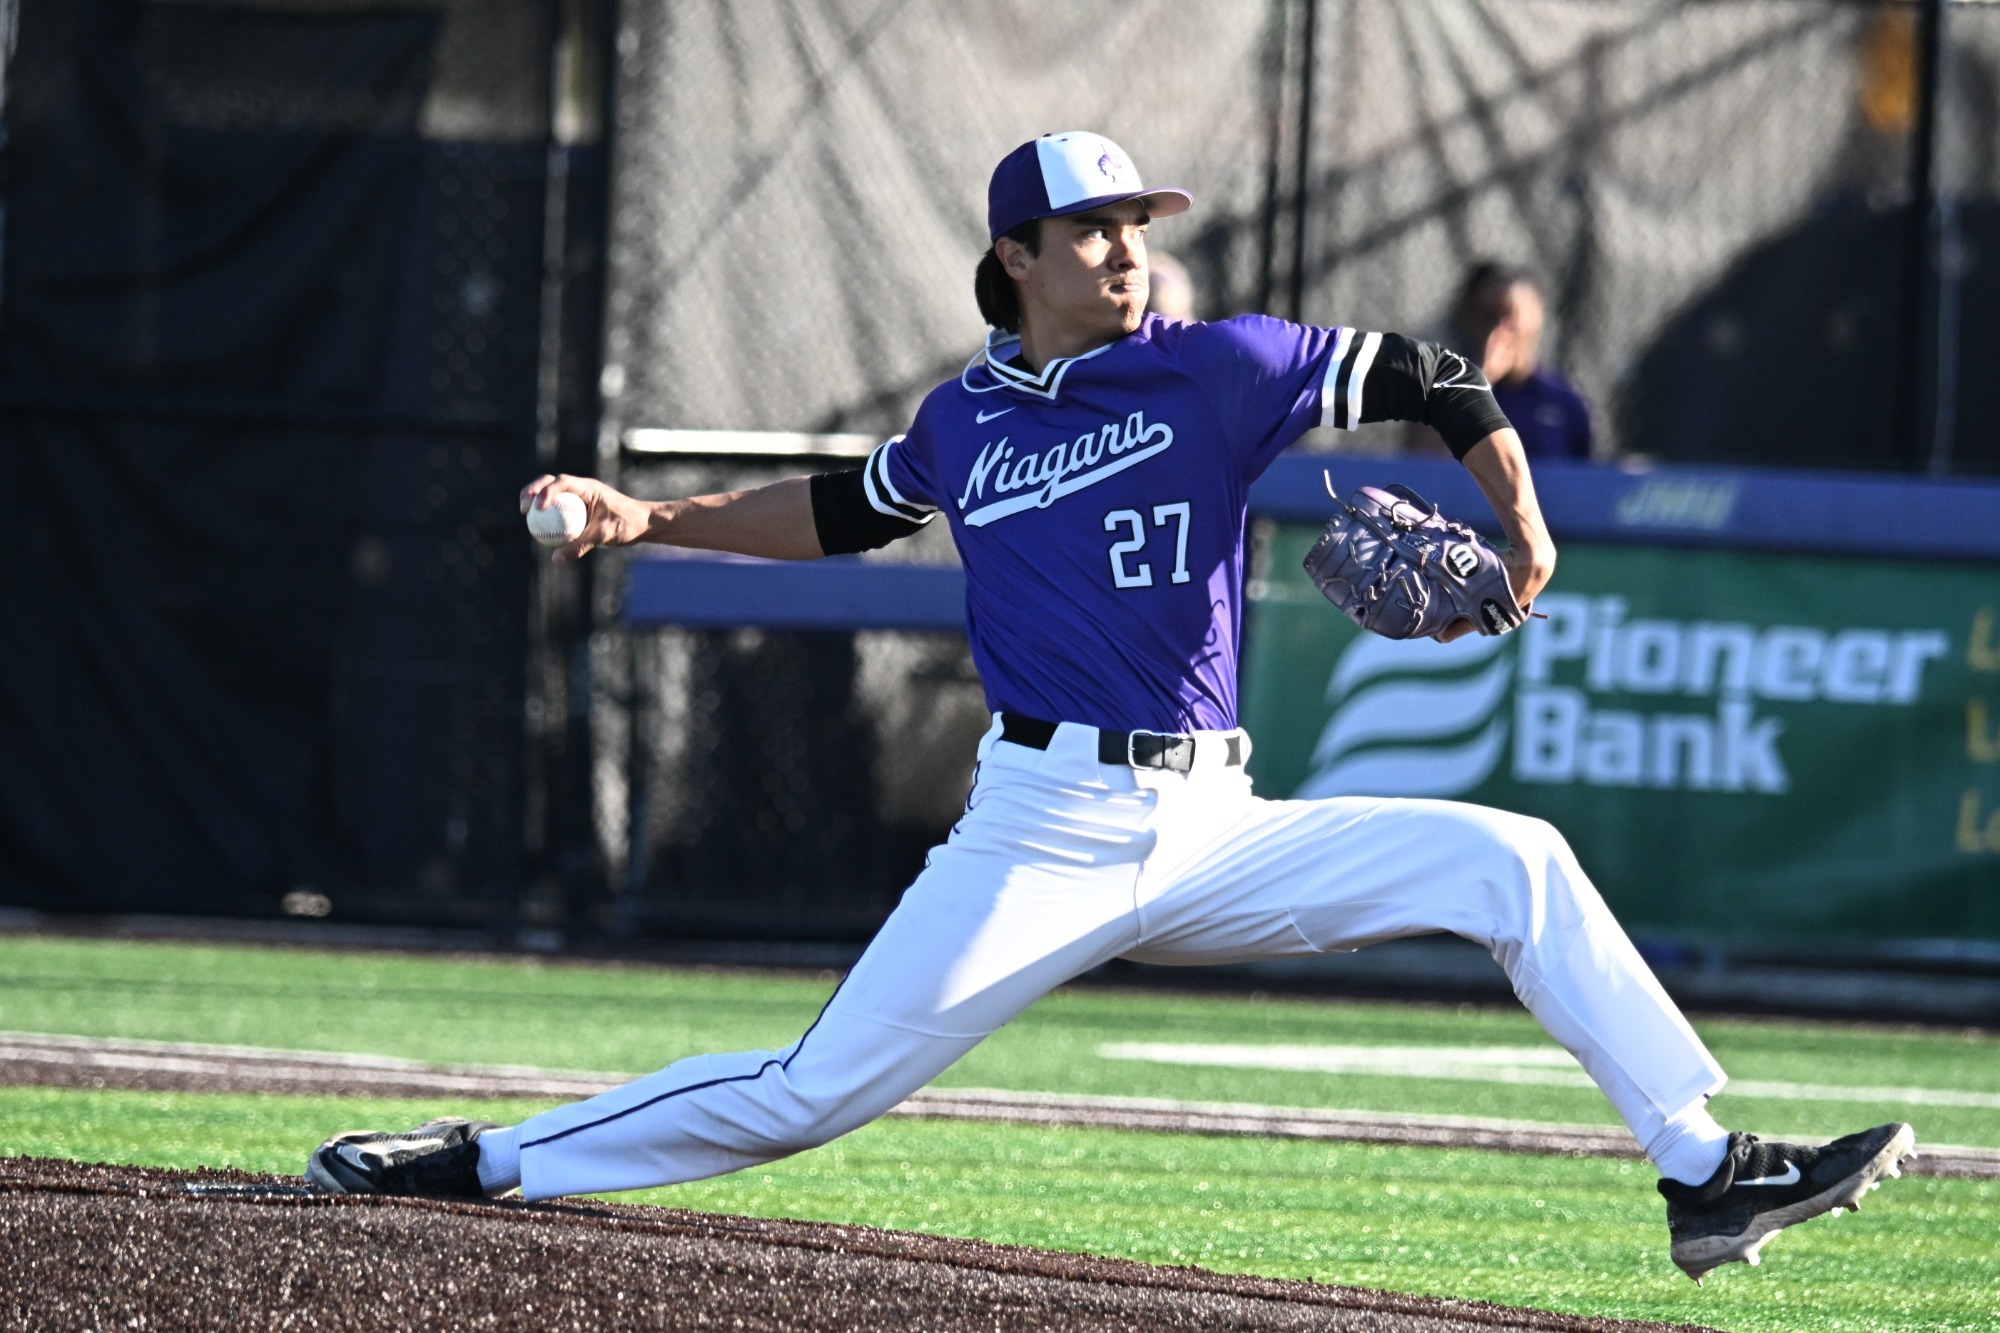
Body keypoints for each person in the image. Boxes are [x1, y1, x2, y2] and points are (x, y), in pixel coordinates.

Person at [305, 132, 1911, 1283]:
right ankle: (488, 1158)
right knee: (811, 1092)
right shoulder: (963, 422)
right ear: (1016, 257)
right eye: (1090, 229)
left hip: (1215, 820)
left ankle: (1704, 1168)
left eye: (1135, 222)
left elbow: (1433, 374)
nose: (1125, 249)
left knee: (1516, 860)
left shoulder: (1218, 366)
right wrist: (652, 516)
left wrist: (1522, 516)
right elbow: (842, 511)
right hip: (1041, 827)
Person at [1449, 262, 1593, 463]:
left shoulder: (1564, 401)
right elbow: (1426, 463)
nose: (1498, 329)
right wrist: (1480, 381)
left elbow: (1584, 472)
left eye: (1508, 314)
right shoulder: (1445, 391)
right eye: (1488, 316)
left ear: (1536, 315)